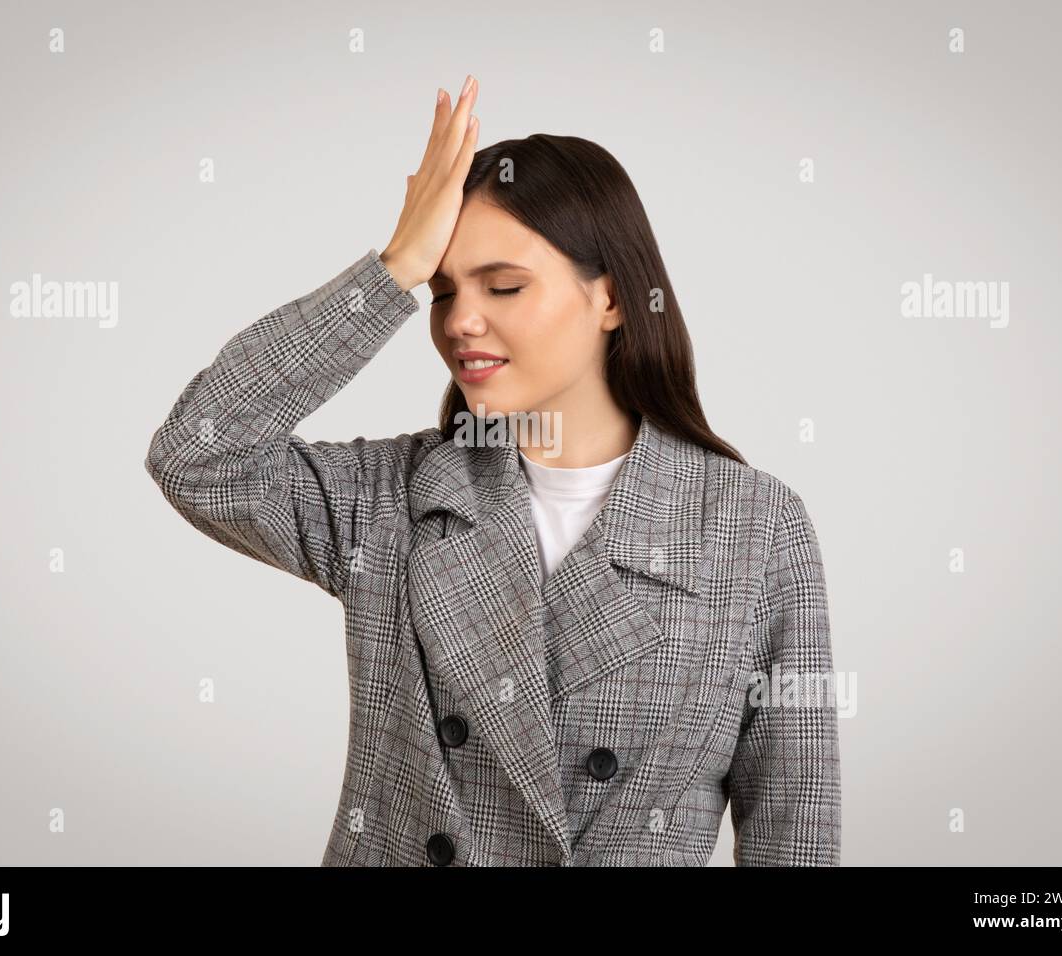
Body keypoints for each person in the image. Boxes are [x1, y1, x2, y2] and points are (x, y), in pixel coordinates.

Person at [143, 74, 841, 866]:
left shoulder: (753, 524)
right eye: (442, 291)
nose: (460, 322)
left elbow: (795, 824)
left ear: (610, 298)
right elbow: (199, 452)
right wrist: (392, 269)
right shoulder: (395, 499)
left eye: (504, 285)